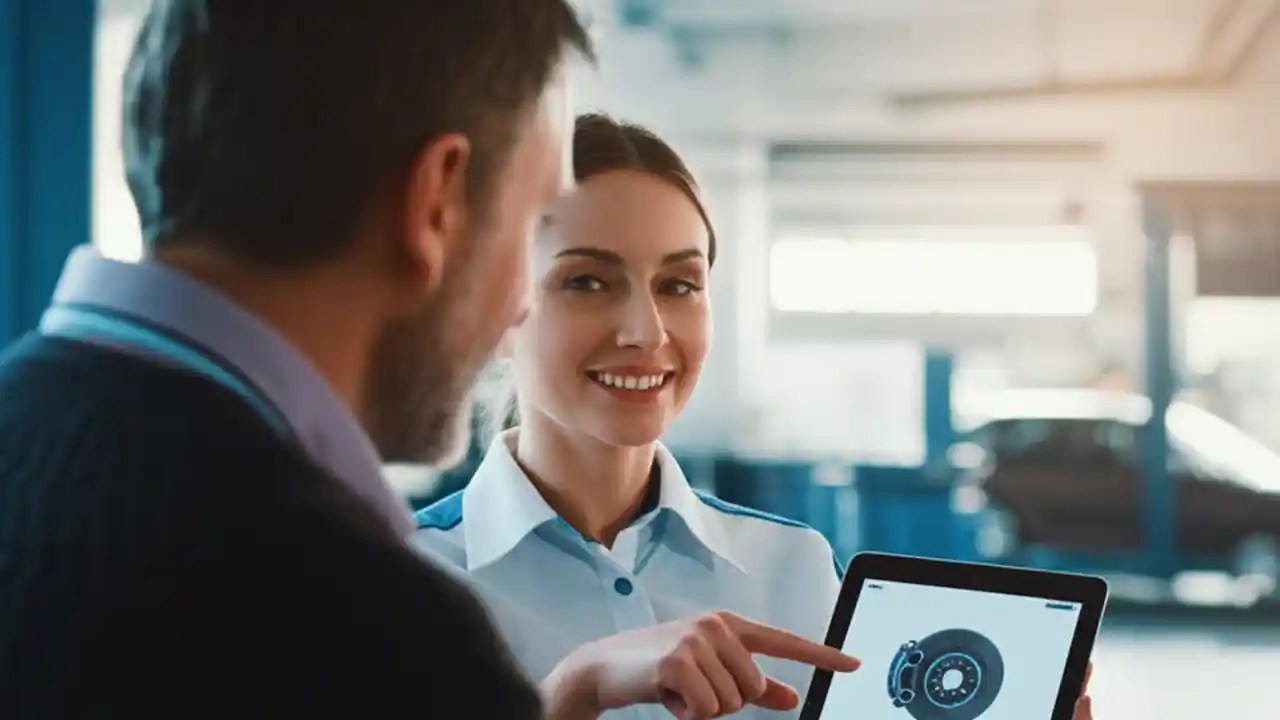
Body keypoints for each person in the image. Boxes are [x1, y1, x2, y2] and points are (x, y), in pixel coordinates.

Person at [0, 3, 856, 719]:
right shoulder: (350, 609)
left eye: (681, 285)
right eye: (529, 232)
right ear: (436, 201)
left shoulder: (44, 443)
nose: (512, 302)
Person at [415, 114, 1099, 720]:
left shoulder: (795, 568)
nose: (647, 331)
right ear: (493, 309)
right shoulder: (403, 581)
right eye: (587, 281)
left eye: (678, 285)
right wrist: (576, 689)